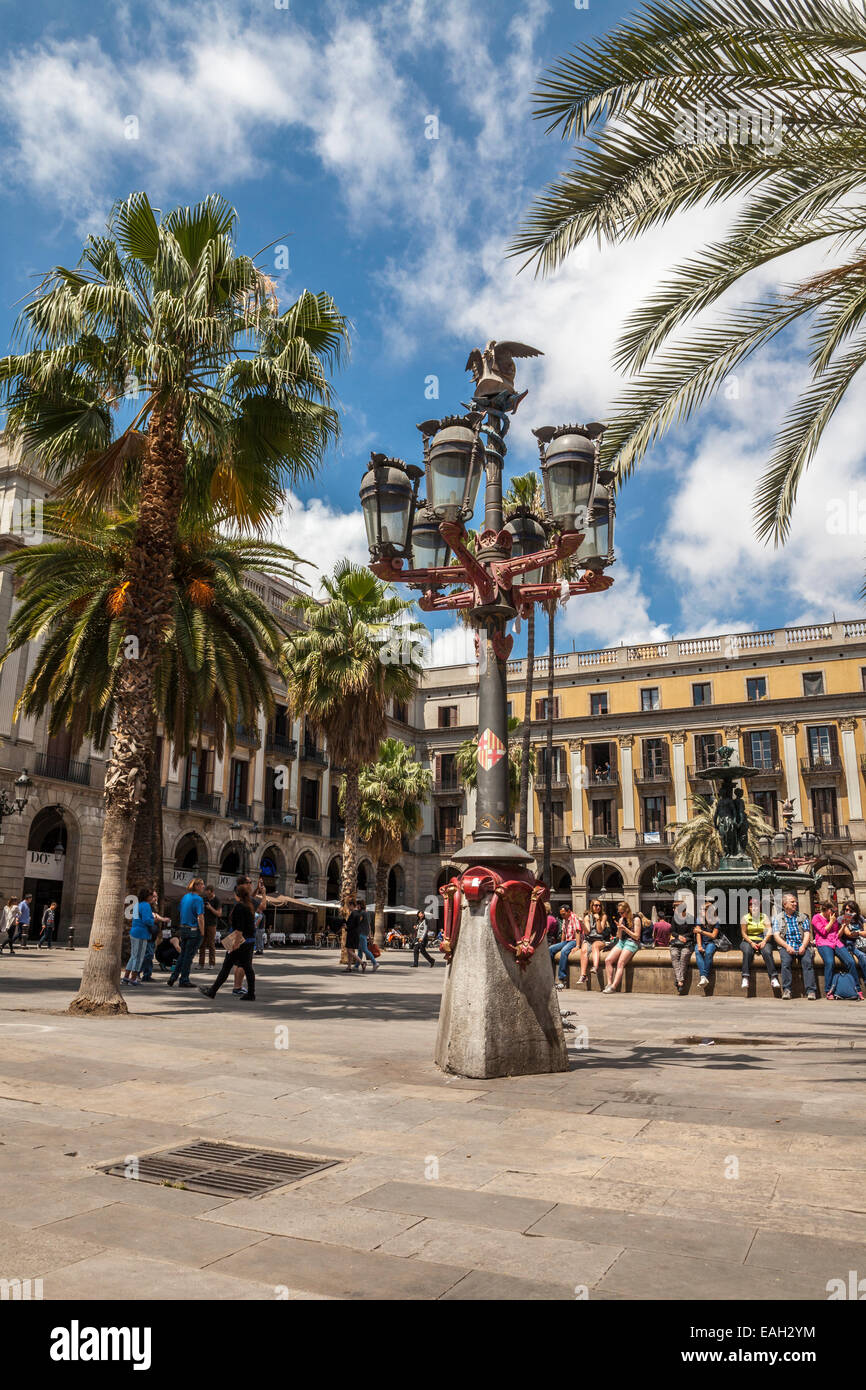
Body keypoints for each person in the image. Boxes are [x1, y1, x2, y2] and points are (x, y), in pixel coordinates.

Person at [200, 881, 256, 1002]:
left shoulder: (240, 906)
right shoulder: (248, 905)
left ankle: (213, 991)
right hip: (248, 940)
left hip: (239, 940)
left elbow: (240, 927)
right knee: (247, 967)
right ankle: (251, 993)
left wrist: (235, 944)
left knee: (227, 967)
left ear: (237, 895)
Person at [811, 901, 862, 1000]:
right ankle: (828, 990)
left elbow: (837, 935)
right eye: (832, 911)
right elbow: (823, 932)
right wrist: (831, 921)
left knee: (851, 961)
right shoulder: (816, 918)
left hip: (836, 942)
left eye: (834, 911)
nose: (833, 913)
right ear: (825, 910)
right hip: (823, 942)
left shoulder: (834, 917)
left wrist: (843, 926)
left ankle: (857, 989)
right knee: (830, 962)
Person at [772, 892, 817, 1000]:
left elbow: (807, 933)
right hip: (787, 945)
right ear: (784, 904)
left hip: (801, 944)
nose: (795, 904)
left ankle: (811, 991)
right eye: (792, 902)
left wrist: (803, 946)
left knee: (807, 962)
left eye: (795, 902)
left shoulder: (803, 917)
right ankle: (787, 990)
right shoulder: (778, 918)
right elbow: (776, 936)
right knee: (786, 963)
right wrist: (787, 946)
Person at [167, 877, 204, 988]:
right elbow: (200, 917)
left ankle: (173, 977)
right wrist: (202, 932)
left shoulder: (185, 897)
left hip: (183, 929)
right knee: (188, 956)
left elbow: (180, 911)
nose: (203, 886)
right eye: (202, 884)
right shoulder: (198, 899)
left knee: (182, 955)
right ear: (196, 886)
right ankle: (184, 979)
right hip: (193, 930)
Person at [739, 894, 780, 993]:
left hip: (763, 938)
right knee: (748, 951)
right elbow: (744, 933)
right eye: (752, 906)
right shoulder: (745, 918)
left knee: (767, 952)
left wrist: (765, 941)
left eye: (756, 906)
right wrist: (751, 943)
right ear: (749, 907)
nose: (754, 907)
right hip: (748, 940)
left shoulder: (764, 916)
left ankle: (773, 977)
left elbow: (769, 929)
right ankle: (745, 977)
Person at [603, 901, 641, 993]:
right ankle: (609, 983)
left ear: (627, 910)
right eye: (619, 912)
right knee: (608, 960)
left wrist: (625, 929)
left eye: (622, 912)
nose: (620, 914)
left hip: (632, 942)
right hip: (622, 942)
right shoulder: (621, 919)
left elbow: (636, 936)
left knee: (620, 963)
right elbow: (619, 937)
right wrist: (619, 929)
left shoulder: (636, 919)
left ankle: (613, 987)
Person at [122, 889, 154, 985]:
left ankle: (126, 977)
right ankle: (133, 978)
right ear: (147, 896)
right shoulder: (146, 905)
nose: (152, 898)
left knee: (133, 956)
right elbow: (146, 920)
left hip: (134, 931)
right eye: (151, 896)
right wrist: (154, 920)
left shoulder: (137, 905)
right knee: (139, 957)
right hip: (141, 933)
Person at [140, 892, 171, 981]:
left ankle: (145, 975)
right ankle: (144, 975)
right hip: (147, 934)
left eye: (156, 896)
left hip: (152, 935)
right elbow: (152, 917)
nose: (155, 898)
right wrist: (162, 919)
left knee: (149, 954)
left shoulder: (151, 906)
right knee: (147, 955)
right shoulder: (146, 906)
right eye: (154, 896)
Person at [549, 904, 580, 990]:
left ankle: (562, 979)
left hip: (574, 941)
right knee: (550, 949)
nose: (562, 916)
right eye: (561, 914)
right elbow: (563, 932)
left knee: (564, 952)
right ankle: (550, 975)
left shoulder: (574, 918)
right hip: (567, 941)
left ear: (569, 911)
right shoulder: (565, 919)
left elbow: (578, 931)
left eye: (563, 914)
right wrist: (561, 943)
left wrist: (577, 945)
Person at [578, 899, 609, 984]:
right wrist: (582, 923)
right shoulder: (587, 917)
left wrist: (598, 920)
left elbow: (599, 931)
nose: (598, 907)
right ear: (592, 906)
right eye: (596, 905)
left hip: (599, 939)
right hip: (588, 939)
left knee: (595, 946)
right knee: (583, 951)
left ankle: (595, 967)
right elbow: (587, 932)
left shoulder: (603, 916)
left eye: (599, 905)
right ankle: (583, 976)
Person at [669, 902, 695, 994]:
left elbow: (692, 932)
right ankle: (681, 981)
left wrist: (684, 937)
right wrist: (679, 936)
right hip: (677, 942)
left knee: (684, 957)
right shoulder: (674, 918)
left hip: (687, 943)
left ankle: (679, 981)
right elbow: (672, 931)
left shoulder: (691, 918)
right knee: (674, 955)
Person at [694, 898, 721, 990]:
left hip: (712, 942)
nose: (701, 911)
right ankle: (703, 977)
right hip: (702, 942)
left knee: (709, 953)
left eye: (703, 910)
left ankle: (703, 976)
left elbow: (713, 936)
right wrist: (700, 945)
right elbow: (697, 934)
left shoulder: (716, 920)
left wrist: (701, 931)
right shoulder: (699, 919)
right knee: (698, 951)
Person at [199, 885, 222, 968]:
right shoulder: (204, 899)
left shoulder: (217, 900)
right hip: (203, 923)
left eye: (209, 894)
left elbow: (219, 914)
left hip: (212, 924)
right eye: (206, 894)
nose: (207, 896)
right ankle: (201, 964)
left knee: (211, 944)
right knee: (202, 944)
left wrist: (210, 908)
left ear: (212, 892)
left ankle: (211, 964)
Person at [356, 898, 380, 971]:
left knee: (365, 950)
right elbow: (369, 925)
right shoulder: (367, 913)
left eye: (357, 905)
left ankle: (375, 963)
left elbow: (357, 922)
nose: (356, 906)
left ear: (359, 905)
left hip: (361, 933)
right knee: (360, 950)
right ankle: (356, 966)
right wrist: (369, 935)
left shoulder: (362, 913)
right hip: (365, 933)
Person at [343, 898, 363, 973]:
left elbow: (351, 925)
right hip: (355, 934)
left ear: (352, 905)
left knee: (349, 950)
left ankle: (362, 962)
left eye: (349, 906)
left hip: (352, 934)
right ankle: (349, 967)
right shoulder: (358, 913)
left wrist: (345, 927)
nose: (348, 908)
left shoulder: (353, 914)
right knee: (350, 951)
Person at [253, 876, 268, 955]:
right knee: (259, 939)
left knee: (259, 939)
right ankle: (259, 949)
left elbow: (263, 906)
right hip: (260, 929)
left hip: (259, 929)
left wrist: (263, 893)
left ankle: (260, 950)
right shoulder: (258, 913)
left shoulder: (260, 914)